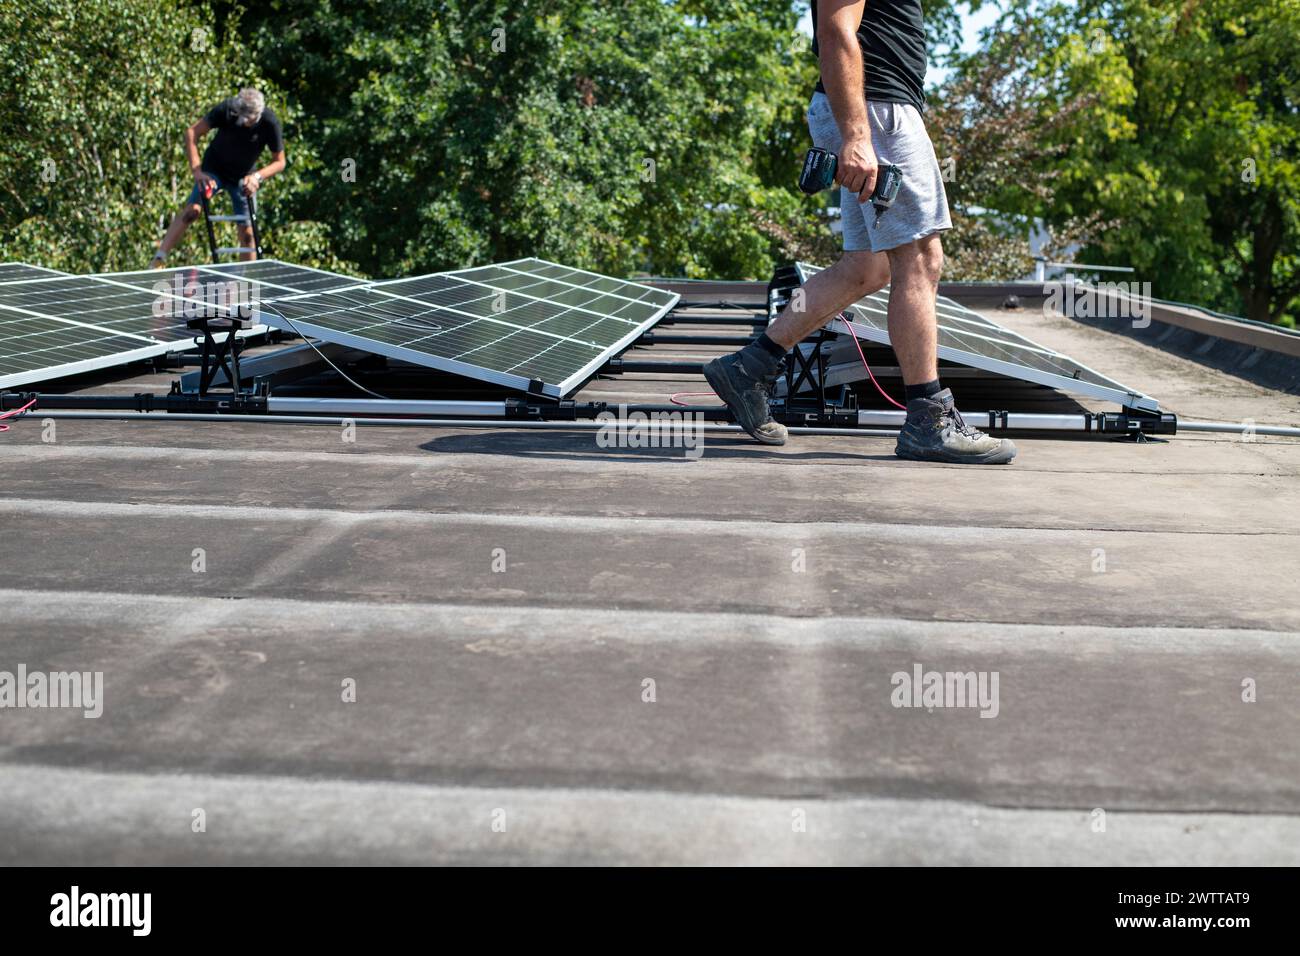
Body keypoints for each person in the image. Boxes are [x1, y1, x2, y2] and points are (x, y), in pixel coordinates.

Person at [704, 0, 1016, 464]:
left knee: (867, 267)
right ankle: (928, 421)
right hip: (877, 112)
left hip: (873, 110)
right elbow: (835, 31)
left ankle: (751, 368)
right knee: (921, 258)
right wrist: (856, 136)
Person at [149, 88, 286, 267]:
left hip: (244, 177)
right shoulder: (227, 109)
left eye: (248, 120)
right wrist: (197, 172)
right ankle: (159, 258)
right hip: (213, 170)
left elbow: (280, 162)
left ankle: (247, 283)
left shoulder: (270, 122)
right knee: (193, 211)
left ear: (258, 115)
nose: (242, 122)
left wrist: (257, 177)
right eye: (240, 117)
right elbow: (192, 133)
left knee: (247, 233)